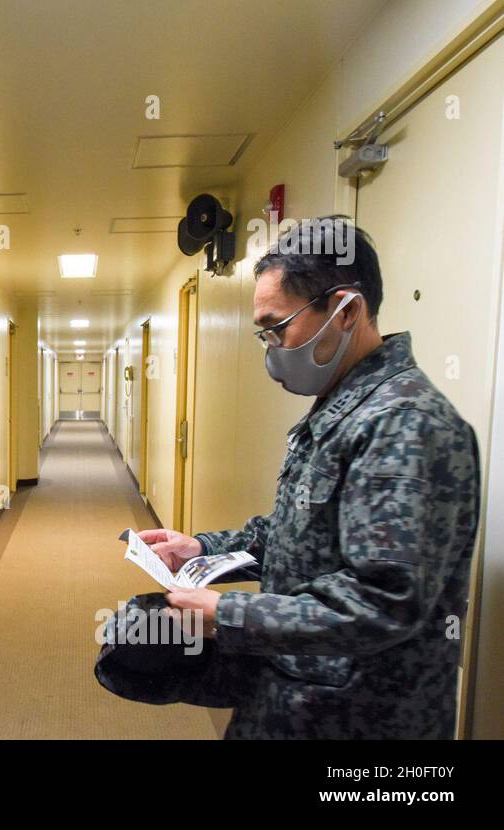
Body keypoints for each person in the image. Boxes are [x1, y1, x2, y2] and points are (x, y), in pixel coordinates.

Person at [142, 216, 480, 739]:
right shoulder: (342, 409)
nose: (272, 347)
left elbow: (383, 601)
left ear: (345, 311)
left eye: (278, 327)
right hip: (294, 698)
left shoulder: (406, 424)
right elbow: (297, 535)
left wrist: (228, 614)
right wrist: (202, 550)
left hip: (363, 721)